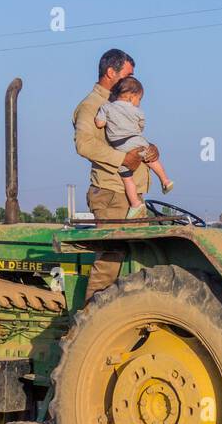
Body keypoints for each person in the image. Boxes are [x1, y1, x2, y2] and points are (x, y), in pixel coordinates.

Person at [74, 48, 159, 301]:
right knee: (110, 261)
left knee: (136, 259)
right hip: (111, 192)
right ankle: (89, 328)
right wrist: (123, 159)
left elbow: (129, 140)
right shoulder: (91, 106)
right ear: (111, 72)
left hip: (131, 193)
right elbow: (84, 144)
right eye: (127, 74)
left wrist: (151, 150)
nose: (131, 81)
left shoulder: (120, 105)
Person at [94, 75, 173, 219]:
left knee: (127, 178)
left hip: (121, 145)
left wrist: (103, 120)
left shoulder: (106, 107)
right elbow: (140, 126)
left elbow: (99, 124)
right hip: (137, 139)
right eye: (139, 99)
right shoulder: (137, 111)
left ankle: (135, 204)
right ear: (131, 97)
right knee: (150, 158)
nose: (139, 103)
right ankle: (165, 180)